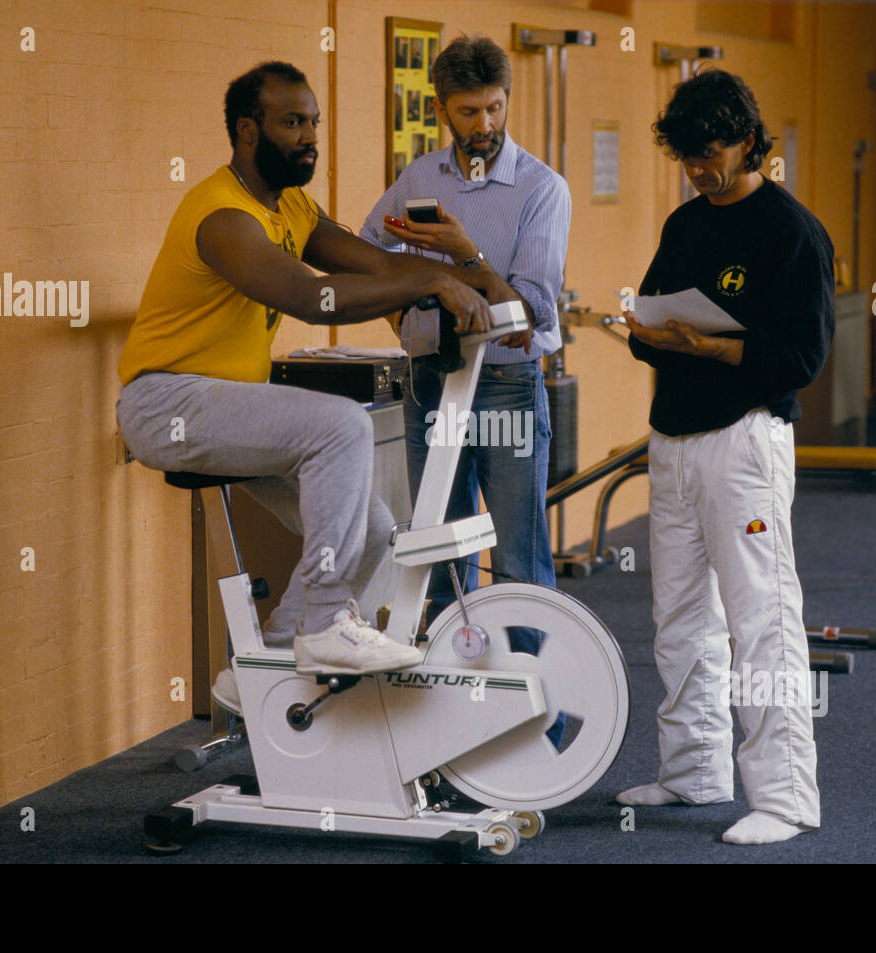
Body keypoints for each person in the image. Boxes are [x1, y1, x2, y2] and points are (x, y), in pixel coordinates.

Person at [116, 61, 506, 691]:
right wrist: (431, 282)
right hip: (166, 402)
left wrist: (471, 274)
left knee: (375, 531)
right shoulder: (223, 218)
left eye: (313, 122)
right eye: (292, 122)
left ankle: (263, 672)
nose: (309, 138)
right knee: (342, 427)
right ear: (248, 131)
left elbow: (373, 264)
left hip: (231, 399)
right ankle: (324, 625)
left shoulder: (292, 206)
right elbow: (312, 298)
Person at [618, 69, 832, 845]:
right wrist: (647, 331)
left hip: (744, 440)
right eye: (685, 158)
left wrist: (706, 343)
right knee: (677, 617)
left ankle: (784, 797)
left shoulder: (793, 232)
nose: (697, 170)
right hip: (672, 440)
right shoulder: (687, 224)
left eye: (708, 154)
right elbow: (648, 316)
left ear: (748, 140)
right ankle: (694, 769)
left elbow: (802, 356)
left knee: (761, 618)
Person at [359, 35, 570, 637]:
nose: (485, 124)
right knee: (440, 552)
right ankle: (452, 711)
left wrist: (466, 254)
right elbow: (370, 252)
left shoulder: (541, 188)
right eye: (469, 111)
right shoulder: (422, 177)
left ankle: (537, 719)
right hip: (432, 379)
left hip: (507, 384)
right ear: (440, 110)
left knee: (517, 560)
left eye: (495, 108)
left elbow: (529, 317)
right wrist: (397, 312)